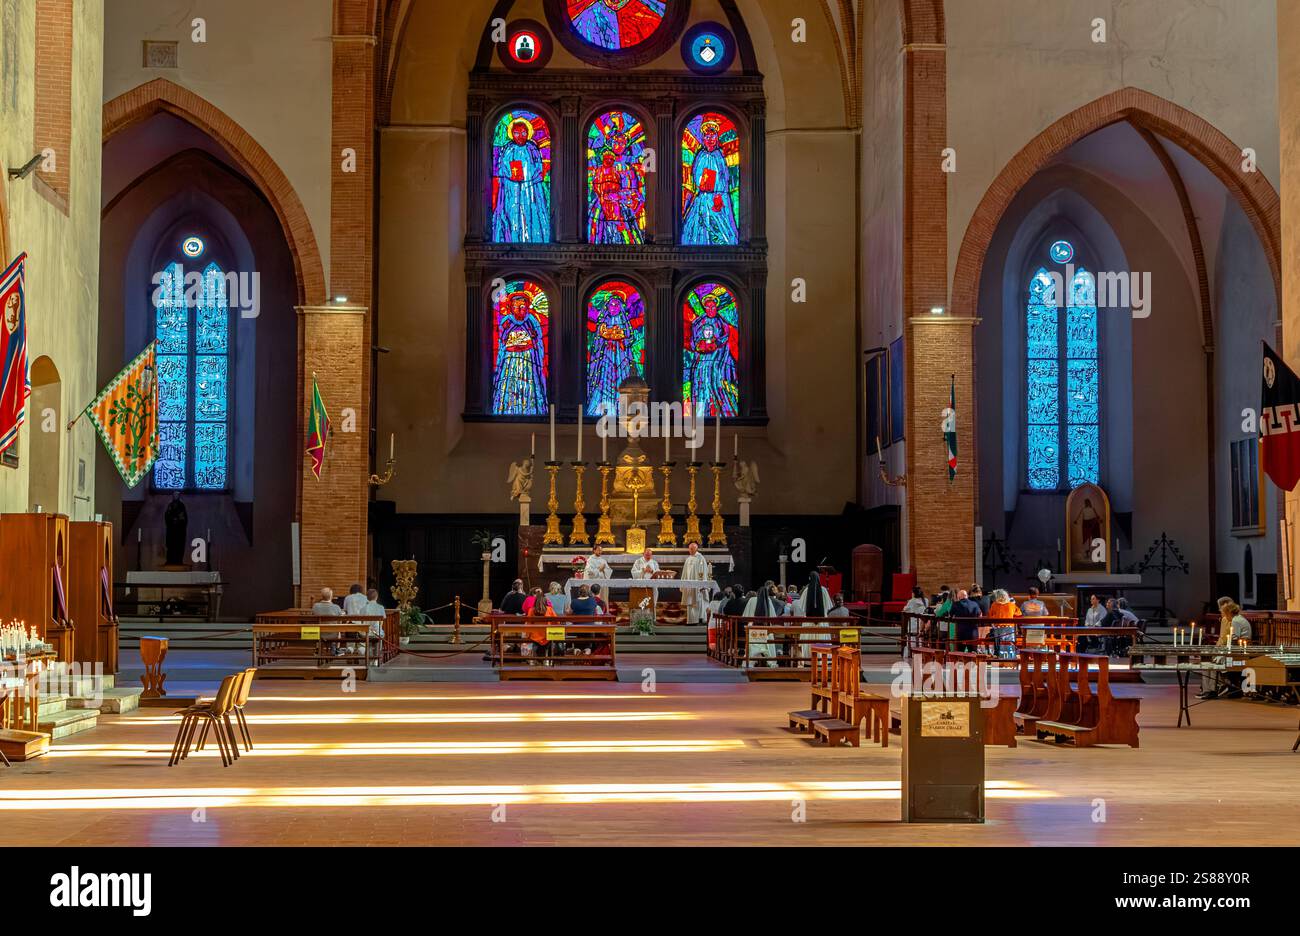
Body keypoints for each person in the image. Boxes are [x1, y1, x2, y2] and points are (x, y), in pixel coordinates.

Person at [1201, 598, 1252, 699]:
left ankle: (1212, 690)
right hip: (1235, 649)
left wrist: (1222, 649)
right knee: (1209, 662)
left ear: (1228, 612)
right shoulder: (1237, 619)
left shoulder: (1236, 621)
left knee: (1213, 662)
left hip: (1238, 652)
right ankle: (1209, 689)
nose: (1222, 615)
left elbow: (1234, 638)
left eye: (1223, 613)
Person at [680, 542, 711, 624]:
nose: (690, 550)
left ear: (696, 549)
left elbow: (704, 571)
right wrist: (683, 584)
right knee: (690, 601)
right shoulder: (688, 559)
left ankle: (698, 619)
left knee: (697, 601)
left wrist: (702, 584)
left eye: (692, 549)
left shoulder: (700, 558)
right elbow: (684, 573)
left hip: (697, 585)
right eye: (689, 548)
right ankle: (690, 621)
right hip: (689, 585)